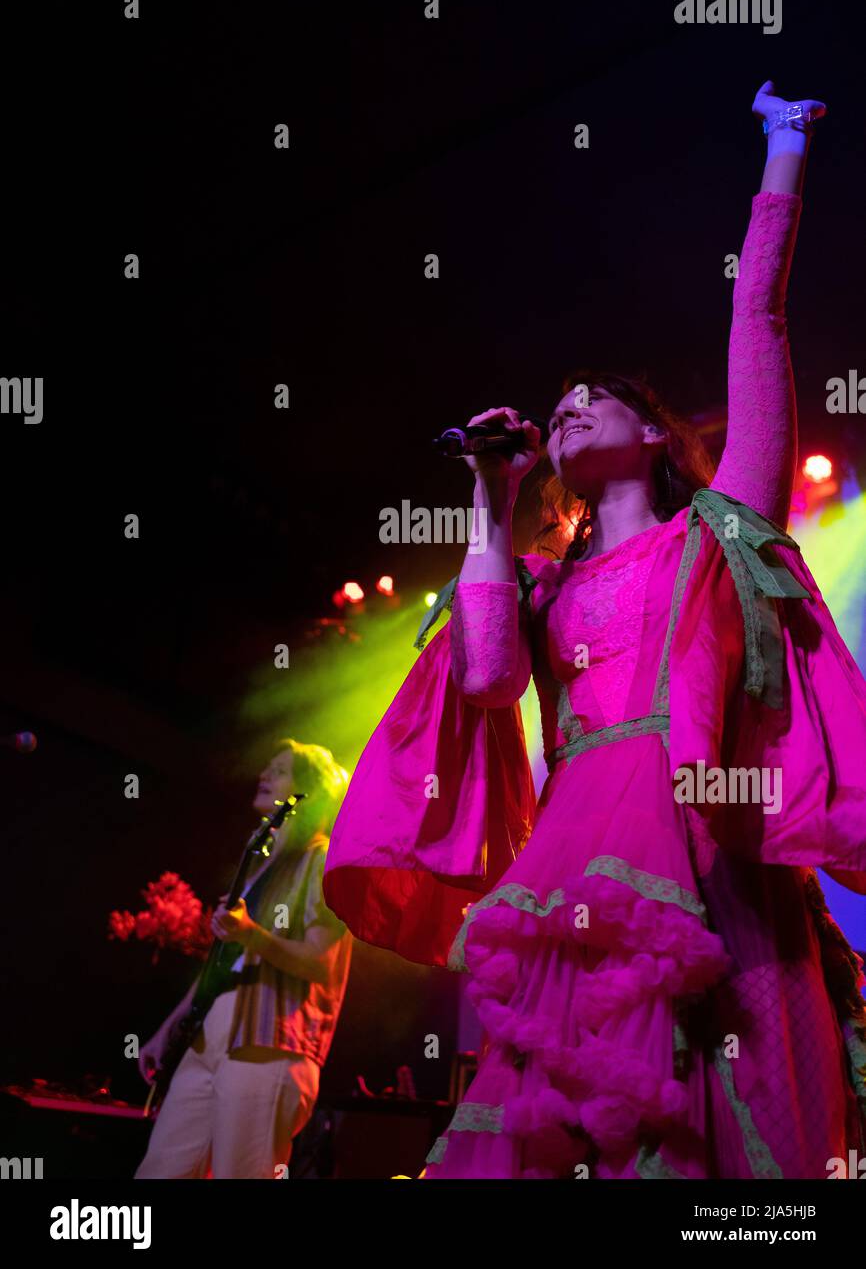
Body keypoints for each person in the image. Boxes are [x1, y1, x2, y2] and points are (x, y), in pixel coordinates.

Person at [323, 82, 866, 1179]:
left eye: (592, 394)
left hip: (706, 855)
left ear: (652, 434)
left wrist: (781, 145)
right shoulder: (534, 580)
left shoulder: (715, 531)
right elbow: (481, 681)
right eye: (556, 398)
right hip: (570, 873)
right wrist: (490, 487)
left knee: (713, 1124)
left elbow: (754, 316)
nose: (566, 402)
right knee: (552, 1126)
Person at [135, 739, 352, 1179]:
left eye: (280, 769)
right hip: (211, 1040)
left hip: (269, 1044)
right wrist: (170, 1027)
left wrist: (252, 934)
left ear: (306, 791)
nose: (264, 775)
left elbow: (320, 964)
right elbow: (224, 961)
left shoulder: (322, 860)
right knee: (161, 1170)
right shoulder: (259, 865)